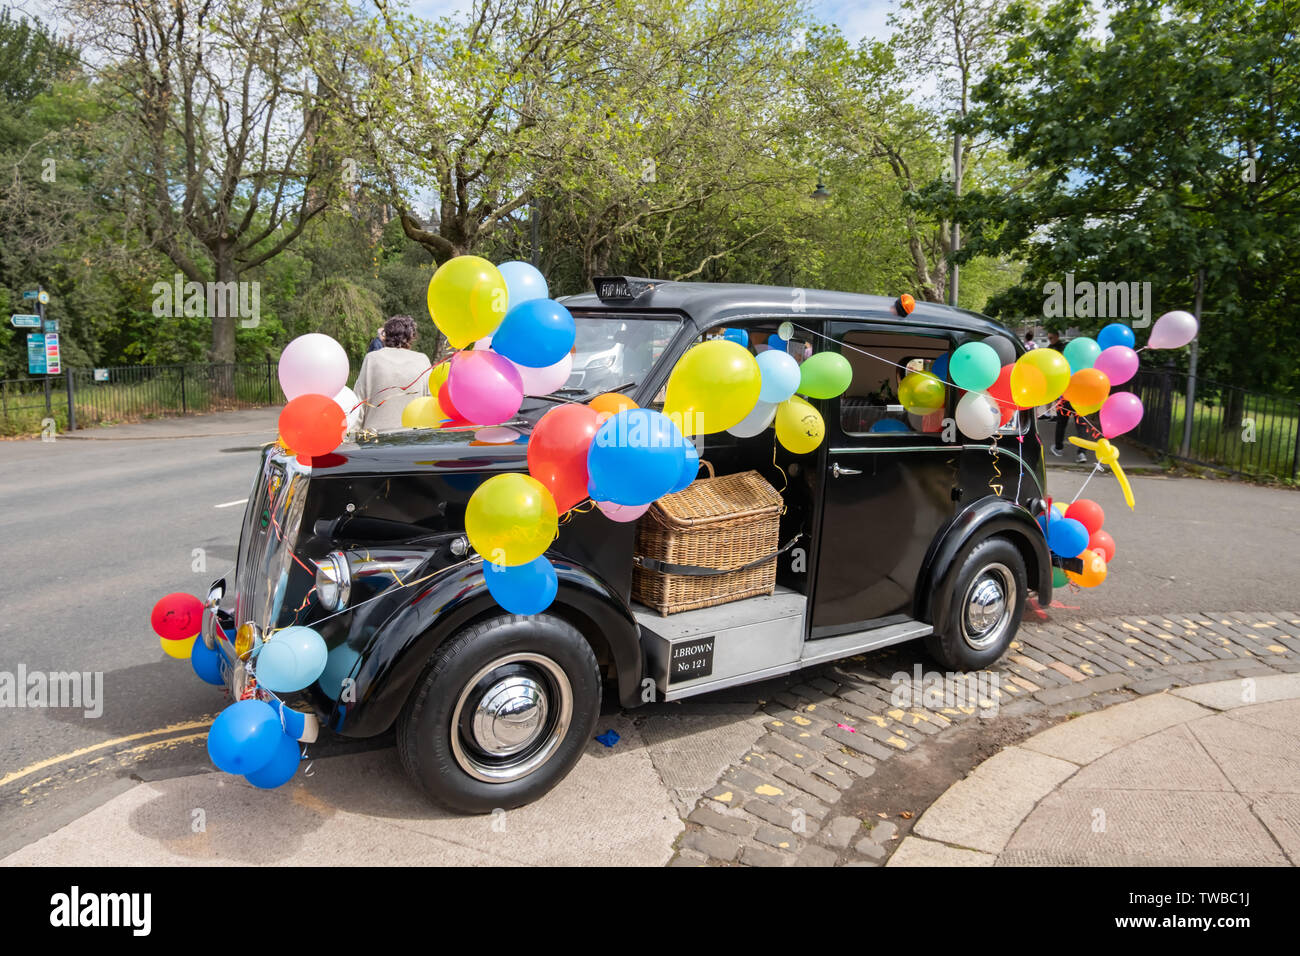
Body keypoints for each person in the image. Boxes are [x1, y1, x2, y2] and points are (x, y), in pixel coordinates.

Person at [353, 315, 431, 432]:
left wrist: (351, 436)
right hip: (414, 439)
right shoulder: (422, 360)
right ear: (411, 337)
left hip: (375, 440)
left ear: (385, 336)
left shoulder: (372, 358)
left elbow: (358, 402)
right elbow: (429, 401)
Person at [1044, 331, 1087, 462]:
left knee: (1061, 423)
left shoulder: (1062, 363)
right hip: (1080, 397)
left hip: (1065, 397)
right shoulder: (1084, 363)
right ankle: (1081, 453)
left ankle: (1058, 448)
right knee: (1081, 425)